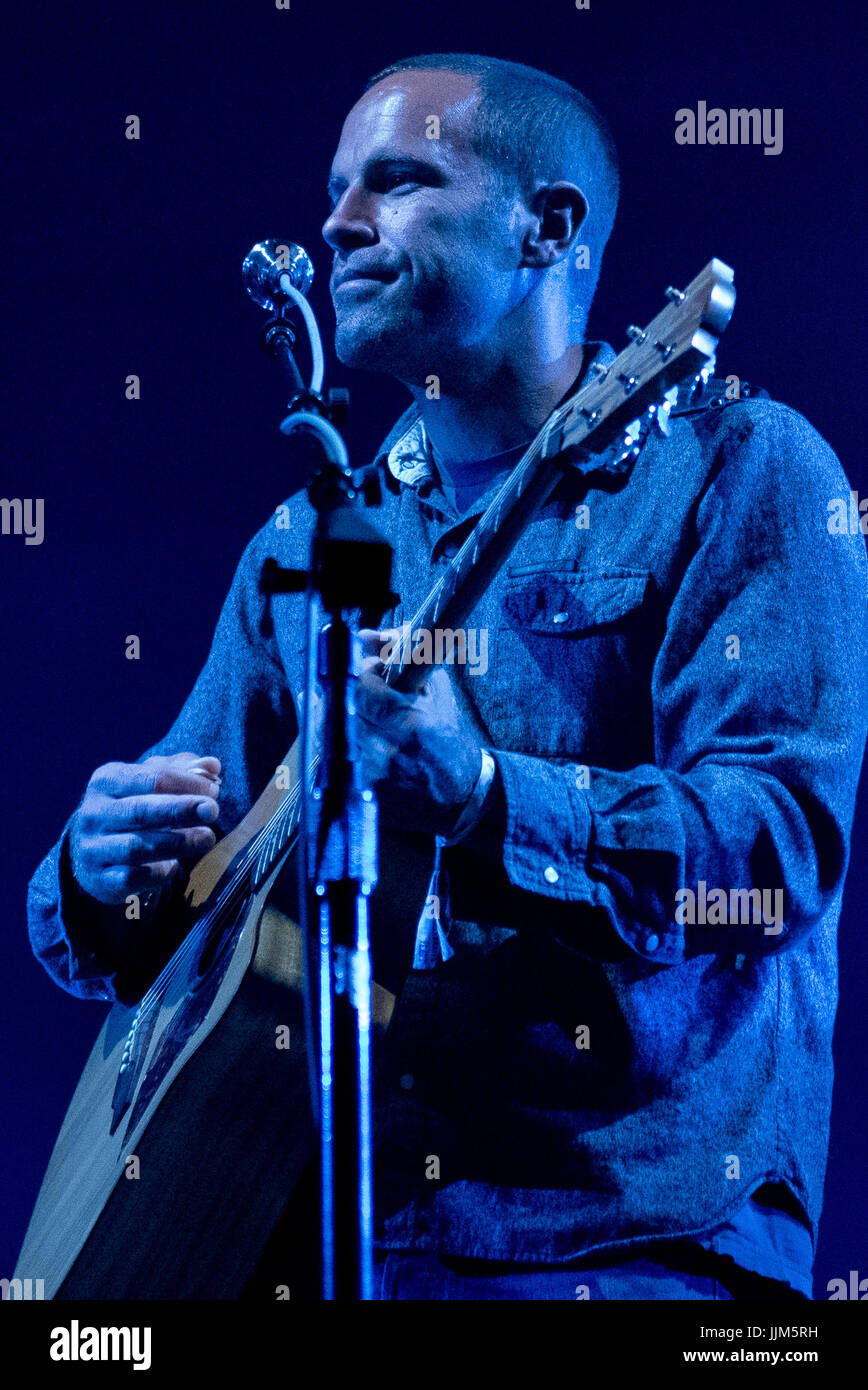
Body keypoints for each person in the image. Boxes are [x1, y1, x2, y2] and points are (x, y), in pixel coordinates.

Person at [27, 53, 868, 1301]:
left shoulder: (747, 468)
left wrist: (478, 793)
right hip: (306, 1236)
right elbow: (169, 905)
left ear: (548, 228)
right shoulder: (309, 547)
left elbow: (774, 852)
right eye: (332, 189)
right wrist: (99, 875)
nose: (338, 222)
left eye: (400, 179)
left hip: (620, 1239)